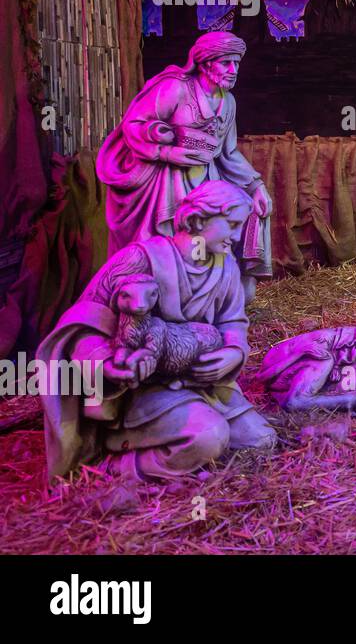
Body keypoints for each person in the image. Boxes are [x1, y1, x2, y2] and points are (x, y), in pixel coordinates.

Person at [38, 180, 275, 481]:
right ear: (198, 218)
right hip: (145, 390)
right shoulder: (141, 259)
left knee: (260, 440)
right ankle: (113, 469)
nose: (238, 236)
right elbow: (85, 320)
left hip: (203, 384)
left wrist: (232, 353)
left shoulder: (226, 268)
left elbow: (233, 322)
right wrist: (106, 364)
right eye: (231, 224)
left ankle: (187, 455)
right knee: (209, 438)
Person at [97, 31, 272, 301]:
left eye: (237, 63)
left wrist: (256, 185)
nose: (233, 70)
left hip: (207, 182)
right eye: (226, 62)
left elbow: (229, 152)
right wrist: (166, 152)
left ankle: (201, 302)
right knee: (170, 247)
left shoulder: (228, 102)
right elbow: (133, 125)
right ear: (205, 63)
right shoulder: (175, 88)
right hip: (166, 184)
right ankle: (161, 303)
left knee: (234, 220)